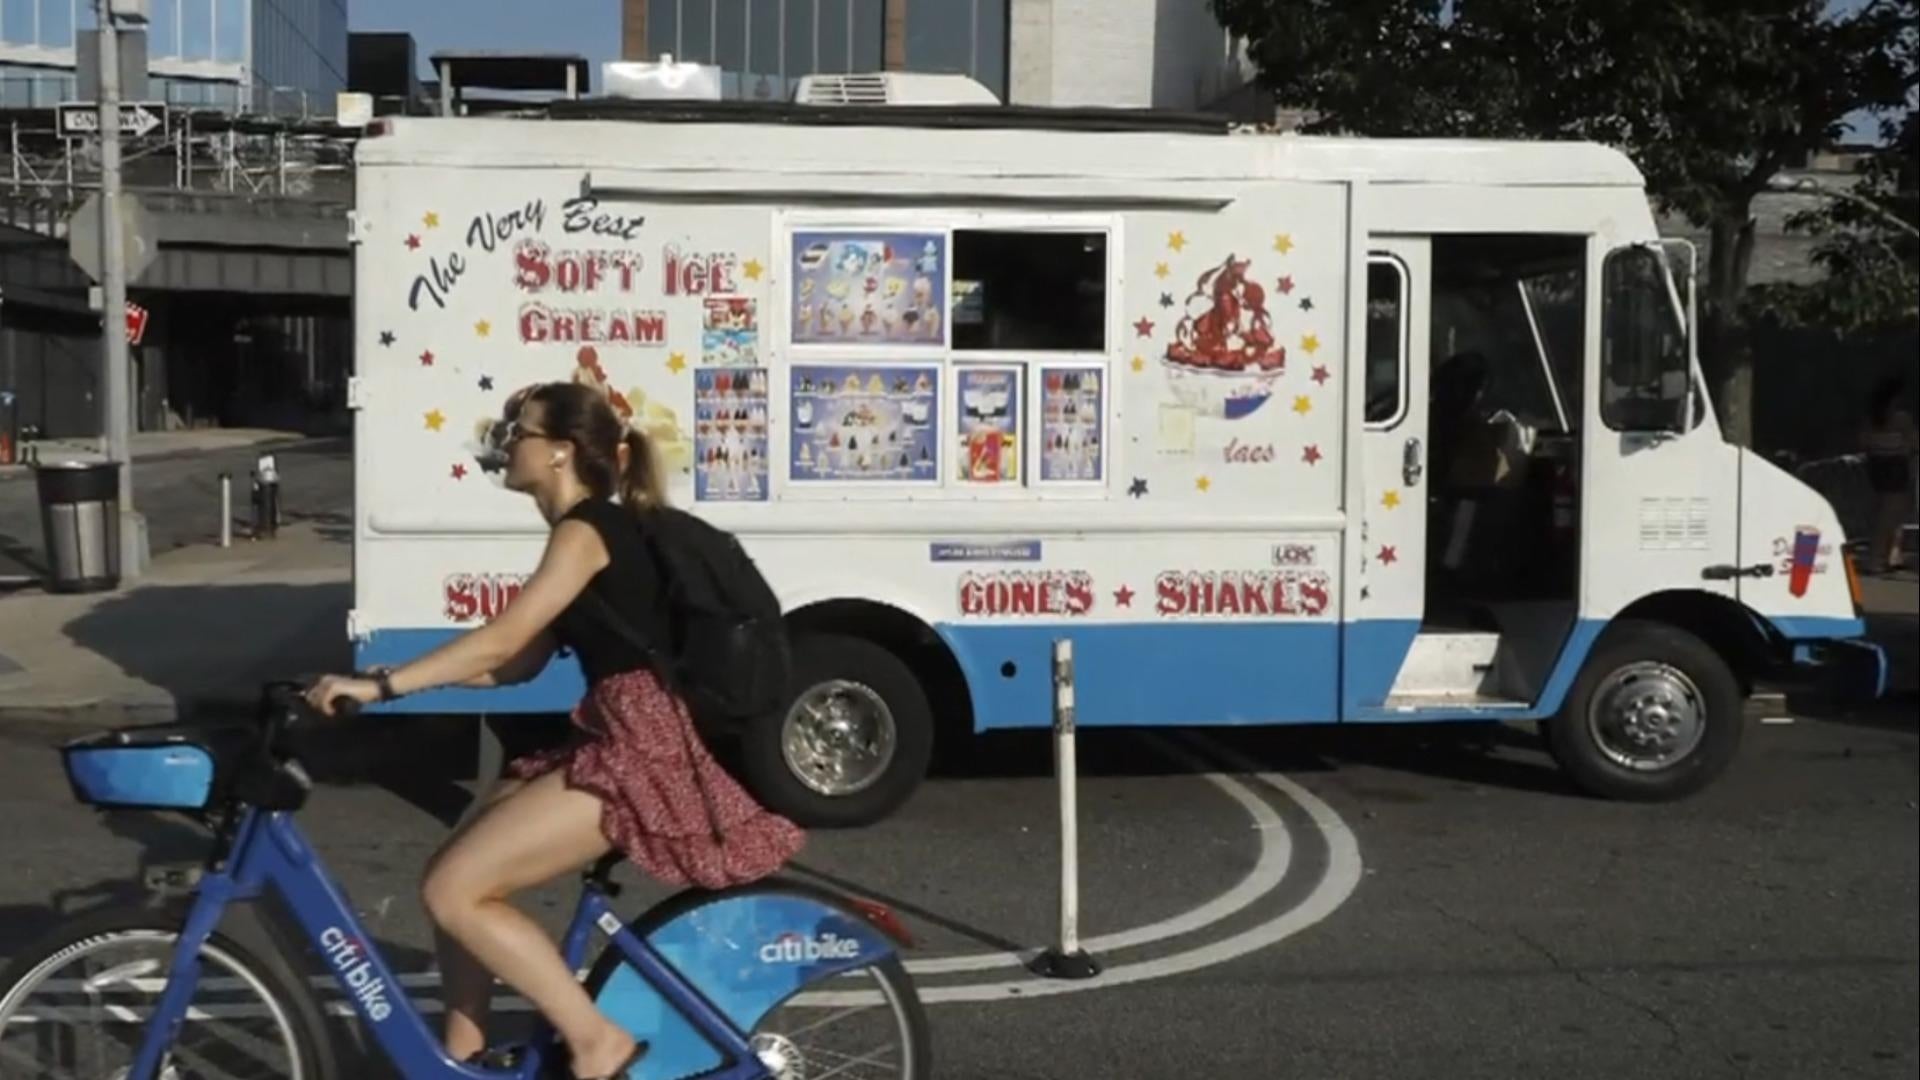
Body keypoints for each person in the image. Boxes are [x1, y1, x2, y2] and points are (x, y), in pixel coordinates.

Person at [305, 381, 804, 1078]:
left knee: (455, 890)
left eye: (522, 431)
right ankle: (463, 1056)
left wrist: (381, 686)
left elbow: (495, 642)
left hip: (644, 749)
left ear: (562, 453)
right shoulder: (586, 530)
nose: (508, 443)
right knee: (456, 870)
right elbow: (511, 665)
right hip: (618, 733)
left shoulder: (588, 529)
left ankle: (598, 1043)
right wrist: (395, 678)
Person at [1861, 377, 1917, 574]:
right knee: (1891, 515)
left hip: (1877, 466)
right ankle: (1877, 558)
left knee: (1881, 512)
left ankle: (1887, 555)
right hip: (1896, 466)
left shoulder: (1872, 419)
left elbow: (1864, 442)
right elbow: (1913, 443)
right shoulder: (1901, 419)